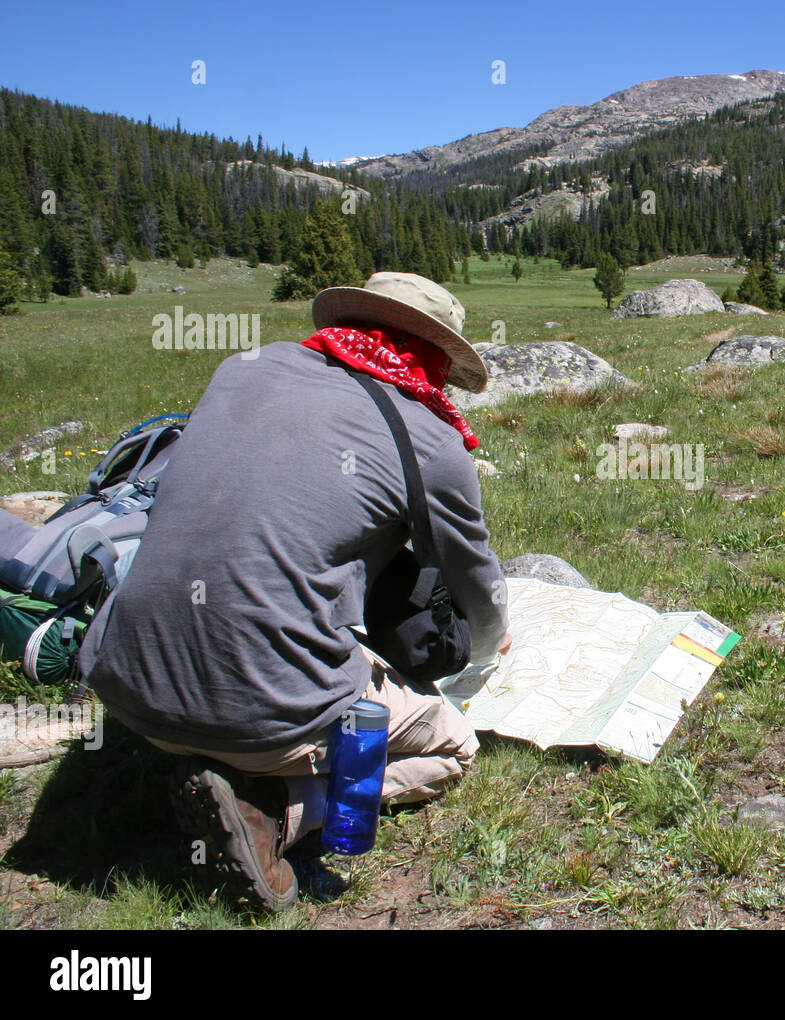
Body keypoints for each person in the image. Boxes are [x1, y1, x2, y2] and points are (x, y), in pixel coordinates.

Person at [78, 271, 510, 911]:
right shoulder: (429, 438)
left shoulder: (242, 370)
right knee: (455, 748)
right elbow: (473, 573)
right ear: (438, 357)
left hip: (125, 683)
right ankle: (279, 808)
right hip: (265, 711)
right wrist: (491, 641)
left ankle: (221, 759)